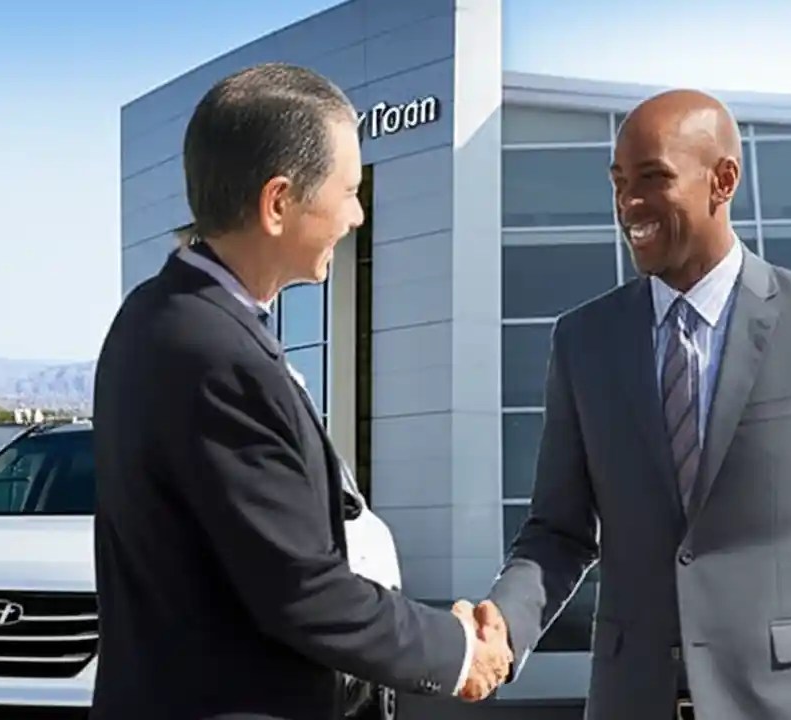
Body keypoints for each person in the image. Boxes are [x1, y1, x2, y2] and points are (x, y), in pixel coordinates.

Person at [469, 89, 791, 719]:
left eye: (653, 178)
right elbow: (559, 530)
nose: (629, 204)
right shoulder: (583, 341)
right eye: (619, 182)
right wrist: (506, 622)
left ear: (723, 180)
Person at [90, 63, 511, 720]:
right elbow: (300, 590)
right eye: (348, 190)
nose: (358, 213)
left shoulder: (162, 317)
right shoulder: (214, 352)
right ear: (278, 202)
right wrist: (457, 651)